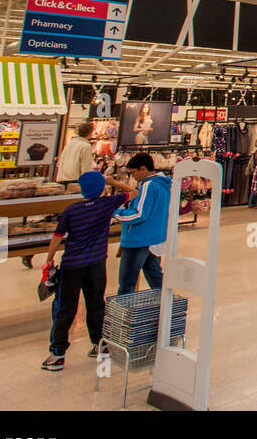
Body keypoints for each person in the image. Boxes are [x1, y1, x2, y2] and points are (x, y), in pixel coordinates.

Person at [41, 171, 128, 370]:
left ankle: (58, 354)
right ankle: (100, 345)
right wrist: (112, 181)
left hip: (73, 265)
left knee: (65, 307)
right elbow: (133, 192)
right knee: (96, 304)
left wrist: (49, 260)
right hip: (97, 263)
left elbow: (57, 237)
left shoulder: (71, 211)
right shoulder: (107, 204)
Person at [25, 121, 96, 269]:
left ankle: (30, 249)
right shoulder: (85, 146)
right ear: (90, 133)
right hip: (76, 185)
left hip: (62, 183)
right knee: (69, 222)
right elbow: (86, 170)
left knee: (56, 220)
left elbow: (60, 163)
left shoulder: (70, 144)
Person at [110, 153, 172, 294]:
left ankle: (125, 313)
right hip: (154, 238)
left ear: (142, 168)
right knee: (156, 278)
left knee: (127, 283)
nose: (133, 177)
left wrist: (116, 213)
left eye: (133, 173)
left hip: (139, 240)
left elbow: (139, 213)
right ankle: (168, 307)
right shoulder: (164, 185)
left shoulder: (149, 185)